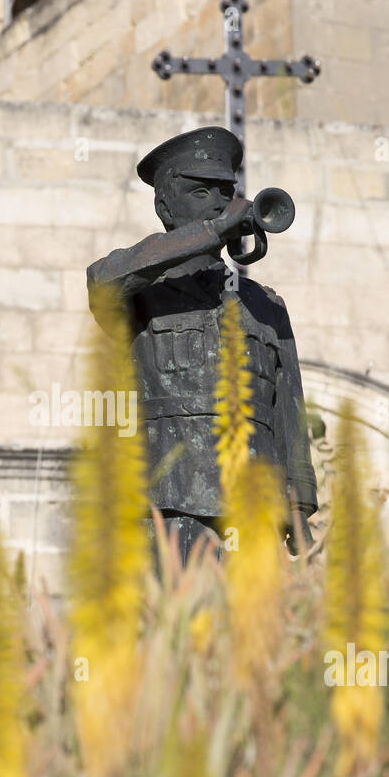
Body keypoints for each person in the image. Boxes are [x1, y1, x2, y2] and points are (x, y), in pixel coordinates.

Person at [86, 126, 318, 563]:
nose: (217, 201)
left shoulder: (265, 304)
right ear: (165, 207)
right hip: (170, 499)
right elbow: (102, 280)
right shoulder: (141, 294)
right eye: (201, 192)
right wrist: (211, 232)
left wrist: (299, 504)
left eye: (226, 193)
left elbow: (288, 407)